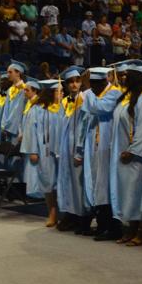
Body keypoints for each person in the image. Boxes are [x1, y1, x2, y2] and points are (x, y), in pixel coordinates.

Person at [111, 61, 142, 245]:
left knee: (137, 192)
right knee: (127, 192)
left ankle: (141, 230)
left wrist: (133, 151)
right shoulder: (128, 96)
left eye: (127, 75)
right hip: (123, 151)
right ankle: (130, 227)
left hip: (136, 156)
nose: (123, 78)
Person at [80, 67, 123, 240]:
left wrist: (88, 95)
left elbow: (100, 108)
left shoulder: (114, 93)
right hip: (95, 145)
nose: (93, 90)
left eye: (95, 86)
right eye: (92, 86)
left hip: (108, 145)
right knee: (97, 185)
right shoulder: (94, 94)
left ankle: (112, 227)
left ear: (104, 82)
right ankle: (101, 223)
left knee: (106, 185)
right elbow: (87, 114)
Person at [20, 78, 61, 227]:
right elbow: (30, 130)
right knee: (48, 182)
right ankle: (52, 211)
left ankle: (66, 214)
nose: (60, 94)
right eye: (57, 91)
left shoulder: (65, 107)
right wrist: (33, 150)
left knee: (64, 182)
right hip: (45, 151)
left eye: (61, 91)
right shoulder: (38, 109)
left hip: (62, 151)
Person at [54, 67, 89, 233]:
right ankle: (70, 214)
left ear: (81, 83)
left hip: (77, 150)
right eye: (71, 82)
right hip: (65, 148)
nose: (74, 85)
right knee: (68, 183)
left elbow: (83, 128)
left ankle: (82, 218)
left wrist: (79, 151)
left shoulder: (84, 100)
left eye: (77, 81)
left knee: (78, 184)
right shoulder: (65, 102)